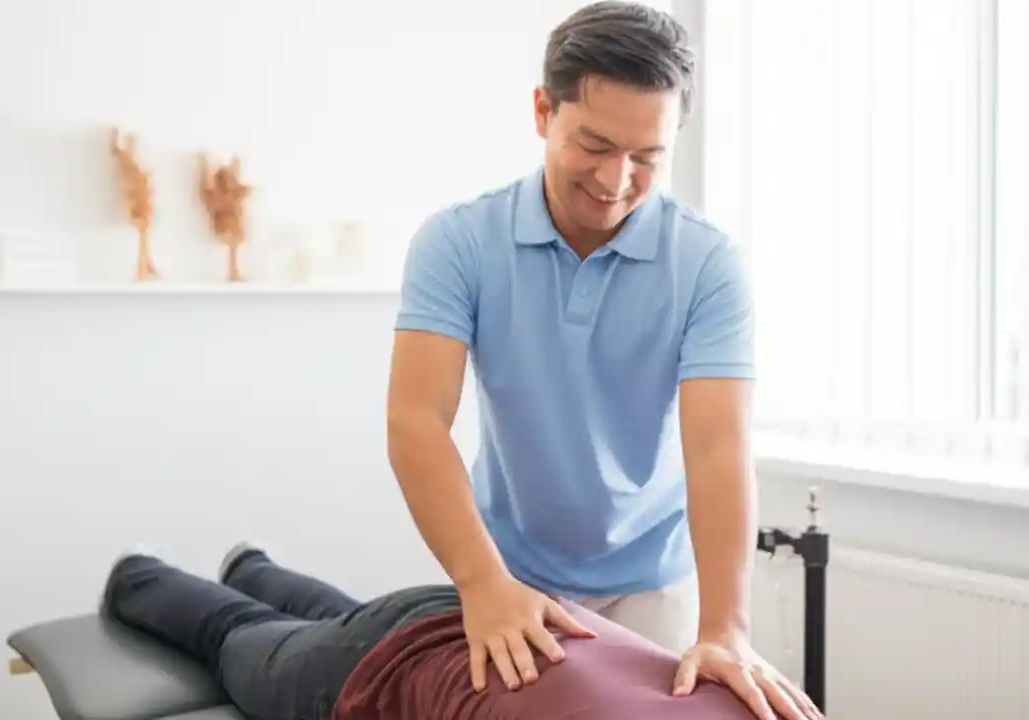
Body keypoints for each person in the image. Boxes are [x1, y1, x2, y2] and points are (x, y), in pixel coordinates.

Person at [386, 3, 822, 720]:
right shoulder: (458, 241)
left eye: (647, 157)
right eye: (593, 143)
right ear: (541, 112)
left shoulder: (706, 263)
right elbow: (416, 421)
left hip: (654, 578)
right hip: (511, 570)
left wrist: (726, 630)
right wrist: (481, 582)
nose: (616, 179)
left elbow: (718, 448)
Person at [100, 542, 787, 719]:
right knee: (241, 640)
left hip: (500, 612)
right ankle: (137, 575)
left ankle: (252, 564)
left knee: (346, 623)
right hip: (399, 659)